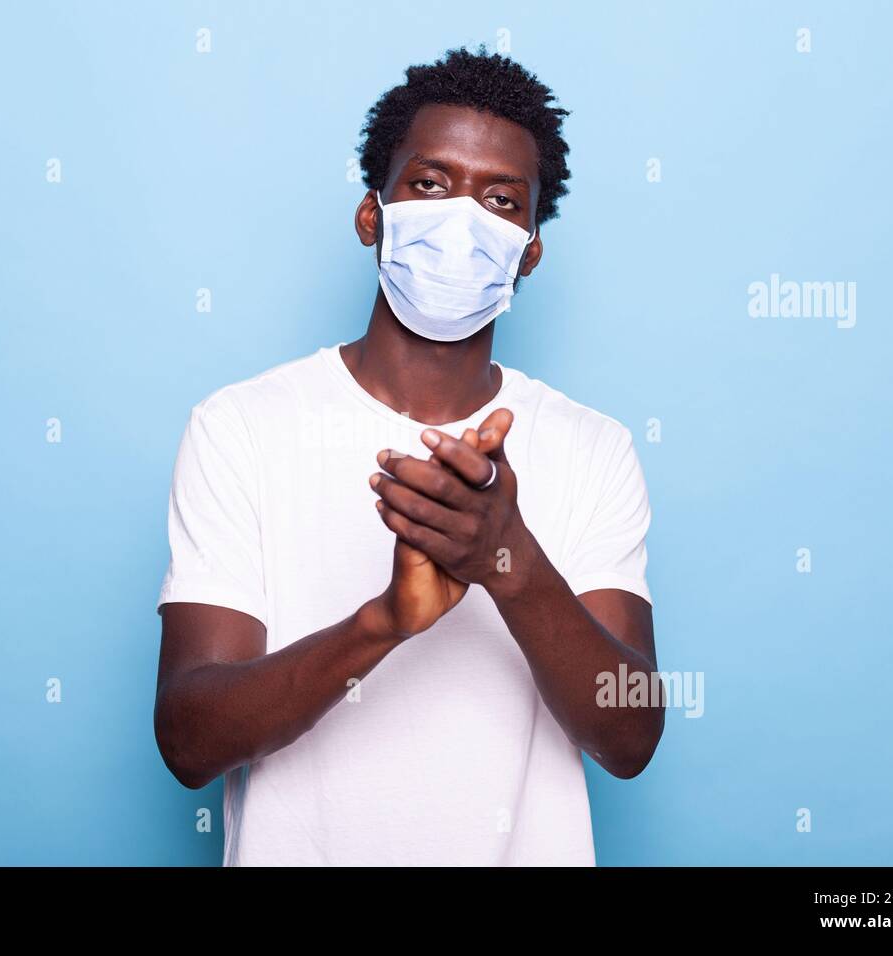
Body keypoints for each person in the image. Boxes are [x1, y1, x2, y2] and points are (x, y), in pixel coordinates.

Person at [154, 46, 663, 866]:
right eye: (429, 184)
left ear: (529, 251)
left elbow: (630, 735)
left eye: (501, 200)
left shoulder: (593, 448)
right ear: (373, 216)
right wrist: (385, 622)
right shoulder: (240, 427)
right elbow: (189, 741)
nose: (462, 219)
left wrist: (509, 560)